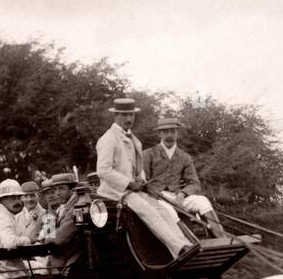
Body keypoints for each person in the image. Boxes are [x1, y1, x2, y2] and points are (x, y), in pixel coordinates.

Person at [95, 98, 196, 258]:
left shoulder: (135, 140)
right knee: (148, 211)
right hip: (114, 194)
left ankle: (187, 245)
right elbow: (103, 170)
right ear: (116, 116)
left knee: (163, 210)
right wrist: (129, 183)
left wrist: (140, 180)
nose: (129, 119)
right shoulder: (108, 139)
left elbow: (138, 169)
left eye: (131, 115)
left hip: (132, 192)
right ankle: (179, 249)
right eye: (124, 115)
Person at [143, 112, 226, 237]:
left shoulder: (184, 157)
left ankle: (221, 238)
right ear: (160, 134)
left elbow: (194, 183)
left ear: (177, 133)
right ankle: (190, 244)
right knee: (169, 211)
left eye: (172, 131)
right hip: (157, 198)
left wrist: (183, 194)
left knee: (203, 201)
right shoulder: (148, 154)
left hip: (178, 197)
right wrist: (157, 194)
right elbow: (144, 182)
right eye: (165, 132)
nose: (169, 135)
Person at [0, 179, 41, 279]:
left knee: (41, 268)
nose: (18, 201)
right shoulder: (3, 216)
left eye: (19, 197)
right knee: (42, 271)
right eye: (12, 198)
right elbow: (10, 243)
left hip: (2, 265)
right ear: (2, 200)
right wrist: (29, 239)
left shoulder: (5, 214)